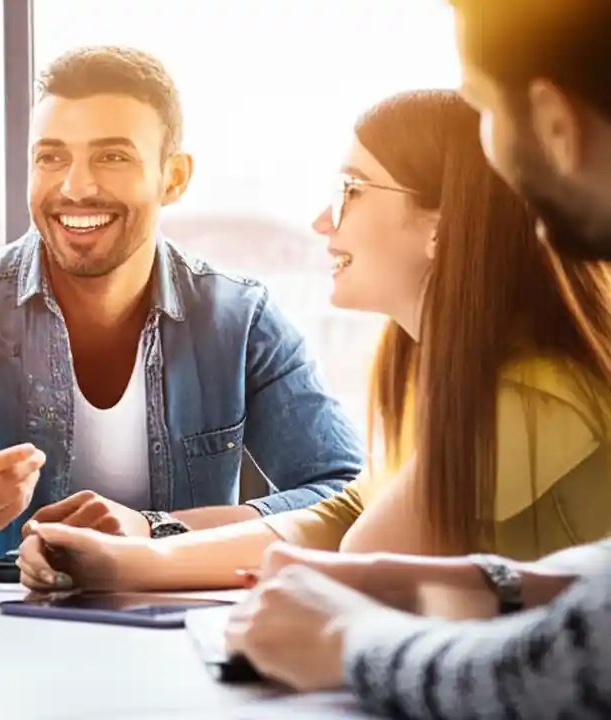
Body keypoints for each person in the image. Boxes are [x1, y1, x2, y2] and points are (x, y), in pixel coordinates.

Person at [16, 87, 611, 594]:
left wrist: (141, 559)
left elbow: (360, 548)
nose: (324, 222)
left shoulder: (538, 397)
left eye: (350, 191)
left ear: (442, 226)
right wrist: (131, 557)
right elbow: (346, 513)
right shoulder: (469, 380)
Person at [223, 1, 611, 717]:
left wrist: (349, 631)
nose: (488, 163)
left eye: (486, 110)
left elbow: (573, 660)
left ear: (555, 126)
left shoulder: (539, 394)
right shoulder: (439, 374)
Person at [0, 46, 364, 580]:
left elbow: (348, 500)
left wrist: (155, 531)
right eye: (51, 157)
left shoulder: (241, 320)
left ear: (175, 178)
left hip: (179, 640)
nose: (76, 187)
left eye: (112, 157)